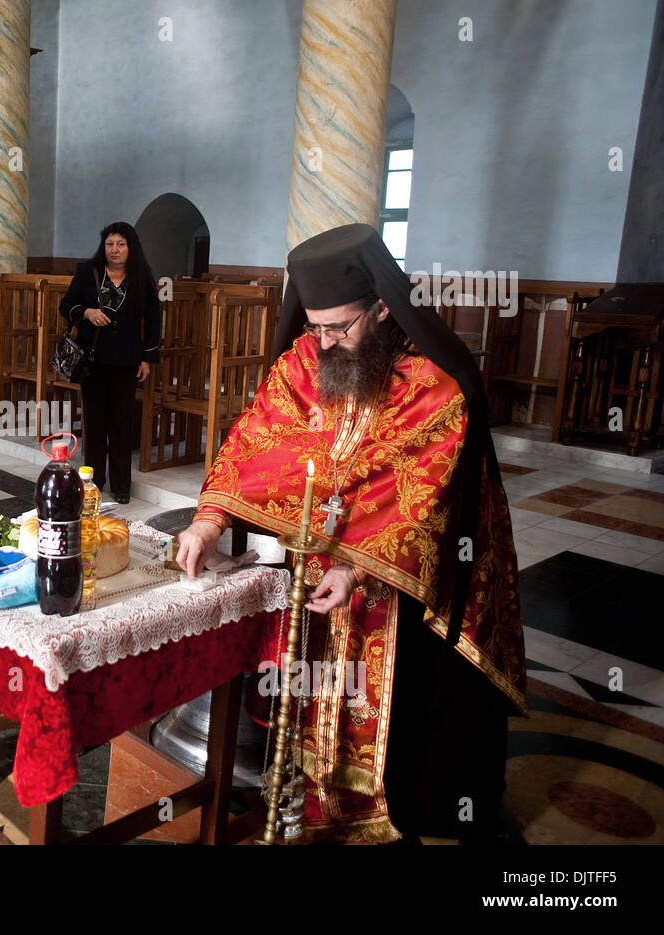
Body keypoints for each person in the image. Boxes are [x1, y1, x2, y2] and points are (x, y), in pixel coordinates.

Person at [174, 223, 526, 844]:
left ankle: (388, 807)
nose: (326, 343)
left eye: (340, 327)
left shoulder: (433, 384)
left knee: (397, 714)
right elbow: (256, 438)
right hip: (315, 570)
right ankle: (310, 791)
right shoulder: (305, 361)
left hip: (401, 594)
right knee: (308, 683)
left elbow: (425, 499)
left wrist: (356, 566)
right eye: (314, 327)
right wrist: (210, 519)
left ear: (383, 307)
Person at [58, 221, 160, 505]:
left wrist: (147, 358)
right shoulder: (87, 272)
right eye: (110, 244)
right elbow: (66, 306)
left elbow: (153, 319)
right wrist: (87, 312)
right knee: (94, 424)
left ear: (131, 248)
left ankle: (121, 486)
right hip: (93, 359)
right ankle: (94, 483)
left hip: (127, 360)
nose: (114, 250)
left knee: (121, 424)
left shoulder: (141, 275)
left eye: (121, 244)